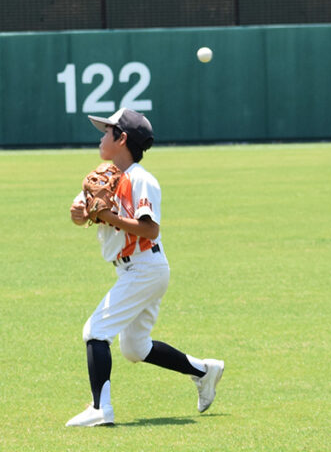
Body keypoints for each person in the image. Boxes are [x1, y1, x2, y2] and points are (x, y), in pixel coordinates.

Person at [66, 108, 224, 427]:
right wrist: (80, 213)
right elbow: (83, 214)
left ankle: (100, 409)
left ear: (122, 139)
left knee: (95, 331)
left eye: (107, 131)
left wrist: (106, 216)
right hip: (135, 269)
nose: (101, 136)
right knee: (136, 348)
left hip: (145, 266)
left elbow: (149, 229)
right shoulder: (105, 176)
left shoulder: (141, 179)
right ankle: (204, 371)